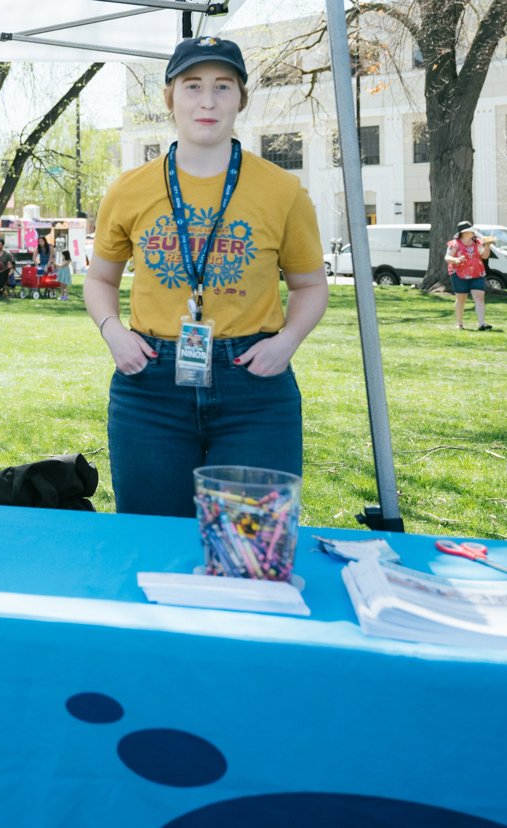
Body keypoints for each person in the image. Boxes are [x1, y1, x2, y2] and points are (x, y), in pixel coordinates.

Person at [84, 36, 327, 518]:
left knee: (252, 543)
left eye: (223, 86)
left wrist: (288, 341)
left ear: (241, 97)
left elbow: (310, 285)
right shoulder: (129, 190)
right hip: (150, 383)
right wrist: (113, 333)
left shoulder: (283, 191)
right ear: (170, 96)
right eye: (193, 86)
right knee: (154, 541)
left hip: (253, 384)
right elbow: (100, 280)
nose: (208, 101)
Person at [445, 220, 493, 330]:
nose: (473, 233)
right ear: (464, 232)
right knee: (461, 299)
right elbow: (447, 257)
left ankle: (482, 324)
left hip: (477, 273)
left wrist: (487, 246)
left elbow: (484, 256)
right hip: (459, 274)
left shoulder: (477, 242)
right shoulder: (454, 244)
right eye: (470, 231)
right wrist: (456, 259)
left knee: (480, 297)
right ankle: (459, 323)